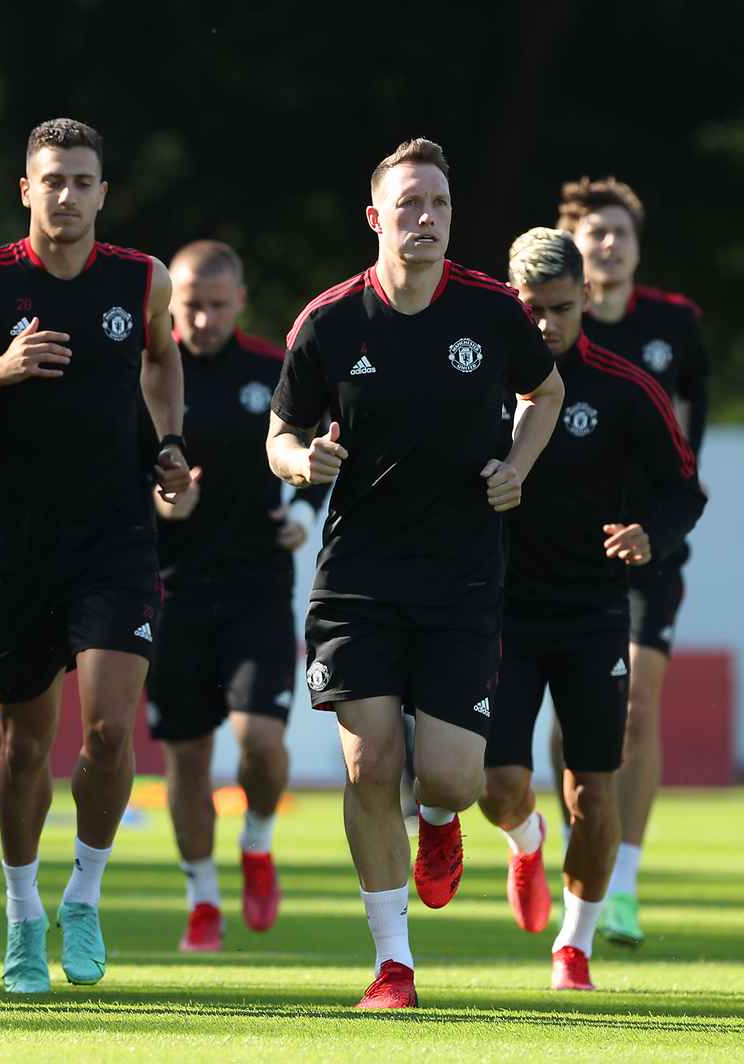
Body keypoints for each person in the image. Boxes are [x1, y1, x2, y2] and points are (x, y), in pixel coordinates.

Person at [266, 138, 563, 1008]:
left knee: (452, 778)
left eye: (437, 202)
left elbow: (542, 394)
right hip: (355, 581)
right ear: (376, 219)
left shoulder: (493, 312)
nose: (425, 218)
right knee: (367, 767)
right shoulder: (328, 323)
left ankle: (440, 821)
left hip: (463, 579)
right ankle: (393, 964)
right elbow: (281, 432)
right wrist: (296, 465)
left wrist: (519, 464)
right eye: (408, 205)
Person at [0, 117, 189, 993]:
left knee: (113, 729)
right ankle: (21, 912)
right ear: (26, 190)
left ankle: (84, 893)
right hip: (17, 547)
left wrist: (171, 443)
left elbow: (162, 364)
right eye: (53, 180)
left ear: (102, 193)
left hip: (117, 539)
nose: (68, 195)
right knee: (26, 744)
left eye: (83, 181)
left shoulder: (142, 280)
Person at [478, 226, 702, 991]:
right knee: (494, 784)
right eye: (532, 308)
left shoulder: (623, 388)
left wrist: (651, 534)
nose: (545, 325)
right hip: (500, 613)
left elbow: (683, 489)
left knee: (592, 786)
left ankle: (573, 947)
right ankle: (525, 843)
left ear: (585, 304)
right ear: (512, 300)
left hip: (592, 615)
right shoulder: (474, 383)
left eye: (562, 310)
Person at [143, 240, 320, 953]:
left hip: (256, 589)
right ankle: (202, 899)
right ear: (171, 305)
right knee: (186, 760)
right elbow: (124, 474)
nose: (206, 318)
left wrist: (305, 514)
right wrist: (161, 507)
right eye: (192, 306)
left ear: (240, 301)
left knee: (261, 745)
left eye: (218, 305)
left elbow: (319, 453)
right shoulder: (150, 376)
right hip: (172, 594)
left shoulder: (273, 372)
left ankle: (256, 841)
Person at [552, 178, 710, 947]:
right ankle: (580, 844)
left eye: (620, 231)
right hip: (554, 558)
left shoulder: (675, 325)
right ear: (571, 247)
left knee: (638, 709)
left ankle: (623, 883)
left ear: (638, 244)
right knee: (571, 716)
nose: (608, 243)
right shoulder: (546, 325)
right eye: (594, 232)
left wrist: (660, 525)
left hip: (646, 550)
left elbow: (691, 436)